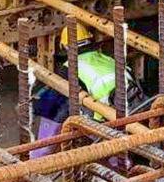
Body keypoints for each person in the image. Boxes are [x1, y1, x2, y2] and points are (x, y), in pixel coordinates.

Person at [32, 23, 146, 156]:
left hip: (106, 118)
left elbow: (53, 99)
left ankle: (39, 155)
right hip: (137, 107)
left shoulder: (70, 66)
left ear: (64, 46)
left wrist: (34, 106)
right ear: (90, 40)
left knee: (62, 107)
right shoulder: (108, 59)